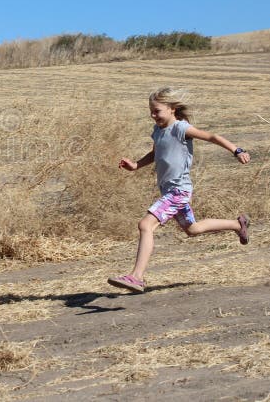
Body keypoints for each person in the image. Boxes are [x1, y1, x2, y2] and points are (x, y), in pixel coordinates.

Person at [107, 87, 251, 293]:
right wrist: (136, 165)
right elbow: (156, 153)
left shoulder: (181, 128)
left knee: (145, 225)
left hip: (178, 191)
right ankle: (238, 224)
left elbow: (212, 136)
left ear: (172, 109)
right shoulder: (157, 131)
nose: (153, 115)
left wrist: (236, 150)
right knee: (193, 229)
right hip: (169, 191)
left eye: (157, 110)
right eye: (151, 111)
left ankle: (136, 277)